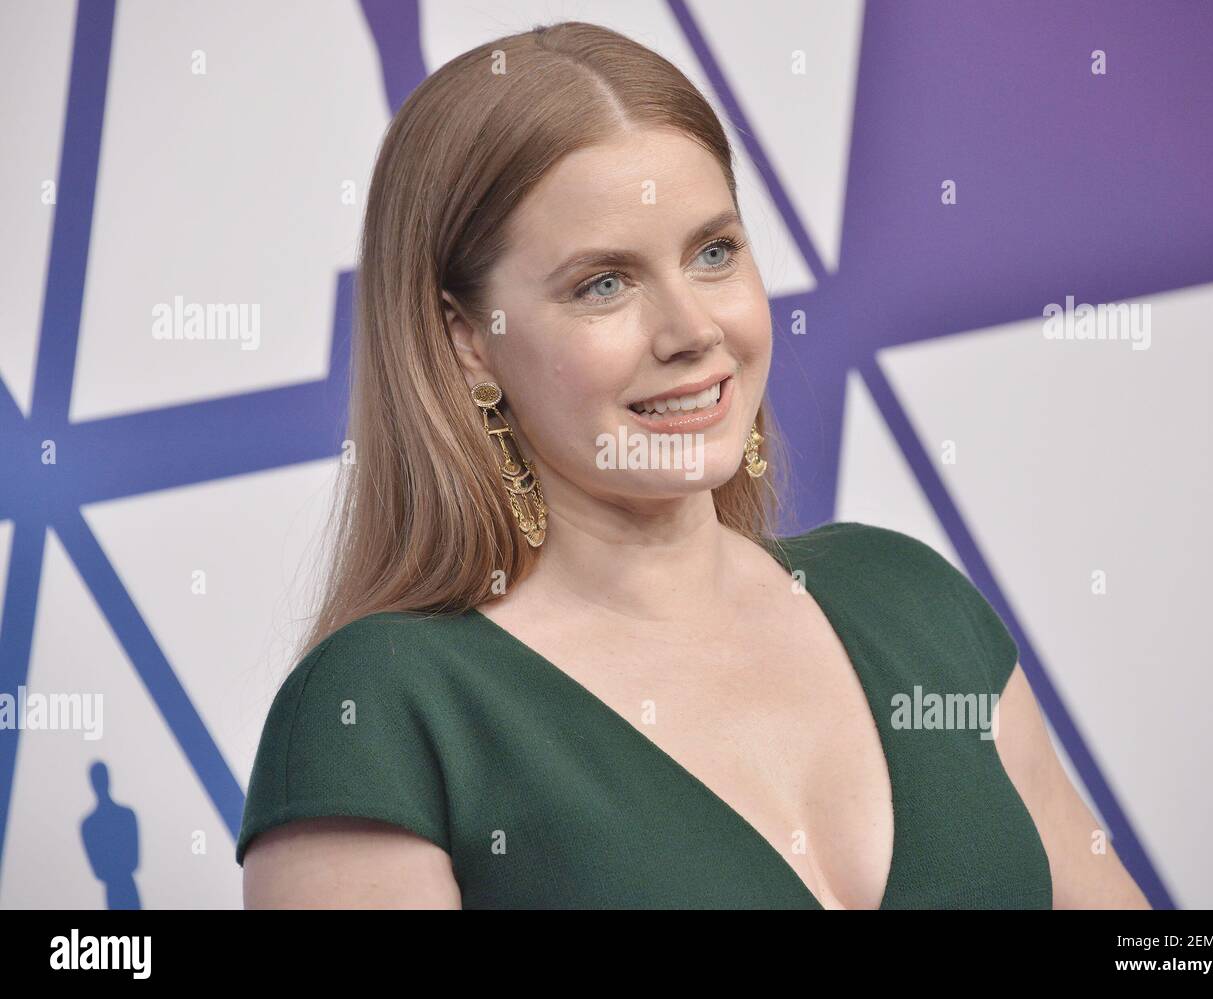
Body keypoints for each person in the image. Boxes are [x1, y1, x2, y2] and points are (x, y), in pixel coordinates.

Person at [237, 20, 1150, 910]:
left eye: (714, 253)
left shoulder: (912, 598)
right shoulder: (380, 711)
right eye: (604, 283)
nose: (692, 330)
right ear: (468, 340)